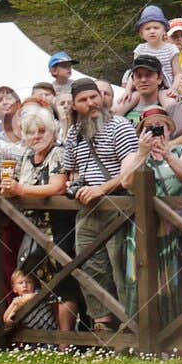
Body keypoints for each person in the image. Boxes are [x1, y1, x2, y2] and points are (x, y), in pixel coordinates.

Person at [65, 76, 140, 334]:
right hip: (87, 209)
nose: (91, 103)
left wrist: (101, 189)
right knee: (89, 265)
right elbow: (70, 170)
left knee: (121, 268)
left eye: (94, 97)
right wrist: (73, 186)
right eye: (83, 100)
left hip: (118, 206)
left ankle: (131, 328)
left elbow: (131, 170)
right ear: (75, 105)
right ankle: (104, 324)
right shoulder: (74, 133)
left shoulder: (120, 126)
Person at [3, 103, 75, 331]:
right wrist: (7, 190)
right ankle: (43, 339)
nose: (36, 136)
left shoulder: (59, 152)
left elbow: (57, 187)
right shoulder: (25, 156)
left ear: (52, 130)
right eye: (31, 132)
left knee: (64, 284)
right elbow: (13, 184)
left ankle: (67, 344)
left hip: (57, 228)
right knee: (36, 283)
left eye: (41, 131)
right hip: (30, 229)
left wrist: (20, 191)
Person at [133, 4, 180, 87]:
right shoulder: (139, 50)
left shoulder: (172, 49)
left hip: (165, 88)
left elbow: (177, 74)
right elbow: (134, 73)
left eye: (156, 28)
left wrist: (174, 89)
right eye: (147, 29)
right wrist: (128, 90)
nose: (152, 31)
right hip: (144, 88)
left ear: (164, 31)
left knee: (169, 100)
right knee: (129, 99)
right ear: (141, 34)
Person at [2, 269, 57, 333]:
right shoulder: (16, 301)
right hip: (37, 335)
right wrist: (13, 304)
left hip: (53, 328)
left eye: (28, 282)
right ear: (14, 289)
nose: (24, 285)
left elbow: (28, 298)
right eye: (20, 283)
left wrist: (14, 311)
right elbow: (5, 318)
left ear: (34, 285)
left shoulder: (38, 293)